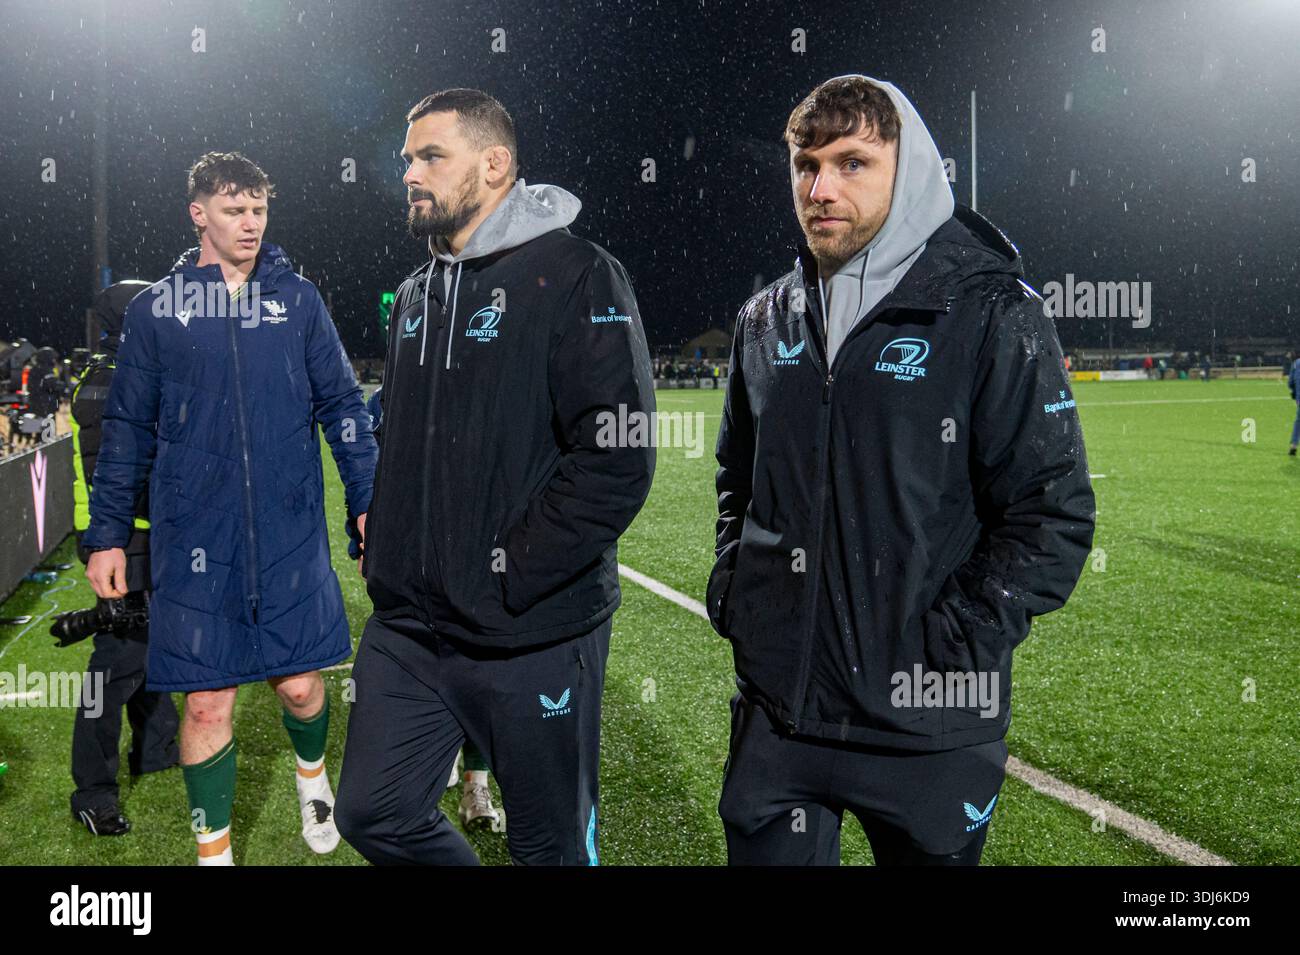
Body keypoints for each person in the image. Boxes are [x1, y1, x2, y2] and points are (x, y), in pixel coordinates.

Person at [708, 75, 1096, 866]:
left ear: (911, 169)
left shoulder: (992, 310)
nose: (821, 189)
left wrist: (949, 644)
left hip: (928, 728)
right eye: (805, 166)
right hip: (780, 718)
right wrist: (738, 589)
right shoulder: (765, 317)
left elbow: (1051, 513)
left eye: (853, 163)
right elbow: (736, 481)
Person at [334, 88, 655, 865]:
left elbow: (617, 455)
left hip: (532, 630)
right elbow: (403, 439)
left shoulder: (579, 273)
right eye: (407, 157)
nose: (409, 172)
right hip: (412, 628)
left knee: (549, 849)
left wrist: (505, 571)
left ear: (494, 163)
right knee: (373, 812)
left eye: (430, 156)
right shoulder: (416, 292)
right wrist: (384, 529)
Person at [82, 152, 377, 865]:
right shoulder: (158, 311)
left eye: (259, 210)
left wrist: (367, 499)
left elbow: (341, 405)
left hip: (288, 529)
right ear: (199, 215)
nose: (250, 223)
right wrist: (108, 534)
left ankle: (313, 776)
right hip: (195, 540)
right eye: (235, 210)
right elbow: (126, 432)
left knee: (303, 687)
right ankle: (214, 856)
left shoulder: (300, 300)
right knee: (208, 703)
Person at [348, 386, 502, 832]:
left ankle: (476, 781)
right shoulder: (383, 401)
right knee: (421, 675)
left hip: (478, 565)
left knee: (480, 678)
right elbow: (367, 482)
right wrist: (361, 540)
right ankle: (433, 767)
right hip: (407, 573)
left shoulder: (489, 379)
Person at [65, 280, 180, 836]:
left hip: (119, 535)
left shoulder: (97, 374)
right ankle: (92, 791)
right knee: (114, 665)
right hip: (126, 539)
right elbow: (131, 467)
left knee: (144, 643)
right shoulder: (118, 381)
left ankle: (157, 748)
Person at [1288, 353, 1299, 456]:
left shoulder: (1296, 364)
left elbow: (1290, 383)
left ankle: (1294, 445)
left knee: (1299, 421)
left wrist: (1295, 393)